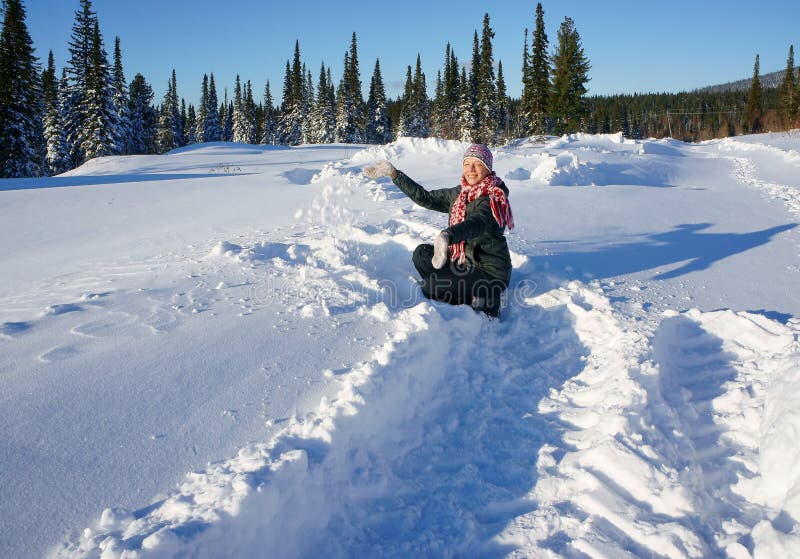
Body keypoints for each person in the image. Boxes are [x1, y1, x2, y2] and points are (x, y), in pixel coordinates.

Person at [364, 144, 514, 317]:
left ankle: (488, 298)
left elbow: (477, 222)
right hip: (464, 263)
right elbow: (425, 197)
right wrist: (394, 174)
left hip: (489, 272)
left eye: (478, 164)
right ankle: (458, 288)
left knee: (430, 287)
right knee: (421, 254)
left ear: (488, 168)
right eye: (467, 164)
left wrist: (448, 235)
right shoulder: (459, 194)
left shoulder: (494, 198)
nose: (471, 170)